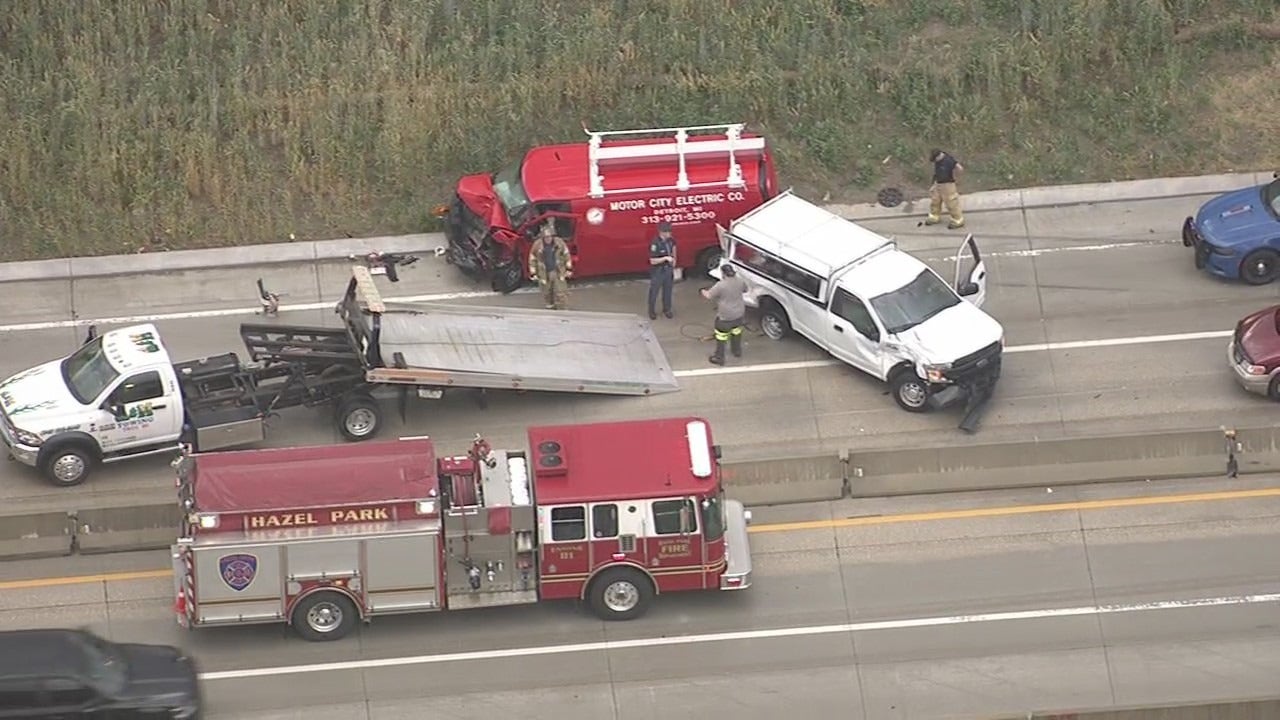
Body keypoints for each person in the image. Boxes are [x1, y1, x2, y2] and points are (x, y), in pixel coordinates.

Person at [700, 263, 748, 366]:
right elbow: (745, 290)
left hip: (725, 316)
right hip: (739, 314)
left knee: (721, 337)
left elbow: (709, 295)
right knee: (736, 332)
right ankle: (737, 351)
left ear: (723, 273)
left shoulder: (721, 285)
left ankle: (719, 358)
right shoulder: (740, 281)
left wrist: (703, 291)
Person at [528, 221, 572, 310]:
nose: (548, 239)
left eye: (549, 237)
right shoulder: (537, 245)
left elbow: (566, 255)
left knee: (561, 291)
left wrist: (568, 269)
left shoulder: (559, 243)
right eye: (546, 237)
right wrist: (533, 273)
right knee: (547, 292)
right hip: (544, 273)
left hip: (558, 272)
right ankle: (550, 307)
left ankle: (562, 308)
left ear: (552, 236)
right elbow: (532, 259)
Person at [925, 149, 965, 229]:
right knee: (935, 200)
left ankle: (957, 219)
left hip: (948, 184)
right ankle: (934, 216)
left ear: (939, 156)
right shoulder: (938, 161)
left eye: (935, 159)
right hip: (938, 182)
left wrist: (956, 178)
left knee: (951, 202)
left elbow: (960, 168)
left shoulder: (949, 160)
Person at [647, 221, 677, 319]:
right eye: (668, 232)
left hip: (668, 270)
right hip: (658, 271)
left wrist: (674, 261)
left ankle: (667, 309)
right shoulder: (655, 243)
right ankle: (651, 311)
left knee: (668, 291)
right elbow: (652, 261)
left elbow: (674, 249)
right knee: (654, 292)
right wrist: (665, 258)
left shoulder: (671, 240)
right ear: (662, 232)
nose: (670, 233)